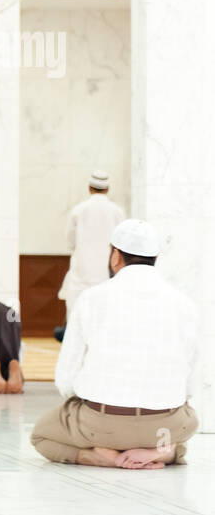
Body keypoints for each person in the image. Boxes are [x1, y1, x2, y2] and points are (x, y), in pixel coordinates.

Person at [31, 219, 200, 469]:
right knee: (185, 432)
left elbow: (66, 377)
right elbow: (192, 382)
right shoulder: (184, 304)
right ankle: (162, 452)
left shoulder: (91, 298)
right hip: (163, 425)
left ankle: (102, 456)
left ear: (115, 256)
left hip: (100, 423)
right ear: (155, 258)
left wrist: (80, 405)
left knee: (41, 436)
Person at [58, 170, 126, 322]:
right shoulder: (117, 212)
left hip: (81, 274)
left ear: (89, 187)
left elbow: (70, 242)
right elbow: (122, 243)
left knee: (78, 318)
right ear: (107, 189)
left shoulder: (78, 210)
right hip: (107, 274)